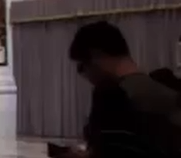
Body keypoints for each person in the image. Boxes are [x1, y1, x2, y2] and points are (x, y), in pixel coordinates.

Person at [67, 20, 181, 157]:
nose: (85, 75)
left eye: (82, 67)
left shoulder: (111, 99)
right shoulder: (169, 89)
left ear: (96, 56)